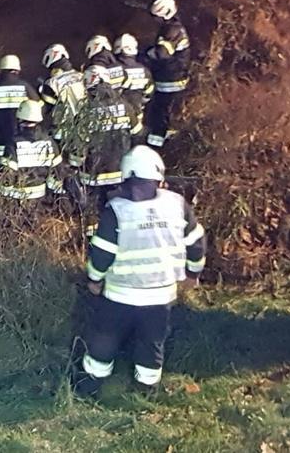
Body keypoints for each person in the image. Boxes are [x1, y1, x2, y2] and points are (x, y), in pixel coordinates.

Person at [74, 146, 206, 397]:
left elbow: (102, 253)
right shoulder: (177, 205)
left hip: (119, 296)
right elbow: (196, 242)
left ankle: (90, 386)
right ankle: (146, 390)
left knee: (105, 340)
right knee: (152, 343)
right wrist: (193, 273)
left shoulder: (117, 211)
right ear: (158, 177)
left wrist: (94, 279)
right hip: (160, 296)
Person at [69, 66, 141, 213]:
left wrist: (73, 165)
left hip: (94, 174)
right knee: (121, 211)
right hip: (121, 171)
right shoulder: (125, 106)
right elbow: (138, 134)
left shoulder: (86, 111)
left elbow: (78, 145)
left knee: (94, 213)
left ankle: (91, 234)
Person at [144, 0, 191, 148]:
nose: (155, 21)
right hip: (170, 76)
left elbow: (162, 53)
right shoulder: (171, 28)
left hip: (171, 79)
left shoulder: (172, 30)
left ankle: (156, 144)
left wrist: (145, 55)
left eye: (156, 17)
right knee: (162, 110)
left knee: (160, 111)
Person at [0, 54, 39, 163]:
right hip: (18, 147)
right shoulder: (25, 88)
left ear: (1, 71)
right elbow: (37, 110)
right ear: (17, 71)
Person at [0, 100, 62, 201]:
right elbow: (58, 173)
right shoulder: (49, 141)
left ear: (19, 119)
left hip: (18, 199)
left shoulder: (13, 143)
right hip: (41, 197)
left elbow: (7, 177)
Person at [38, 44, 87, 140]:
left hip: (64, 132)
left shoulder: (51, 83)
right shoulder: (82, 76)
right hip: (86, 127)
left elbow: (46, 110)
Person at [115, 33, 154, 121]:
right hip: (137, 115)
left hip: (115, 117)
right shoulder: (144, 70)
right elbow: (149, 93)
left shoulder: (109, 70)